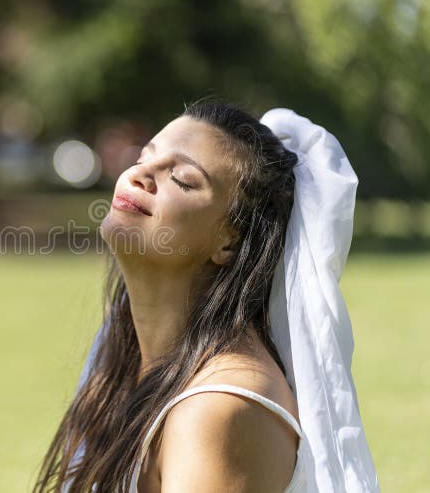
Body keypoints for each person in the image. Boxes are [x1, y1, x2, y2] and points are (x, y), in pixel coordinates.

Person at [33, 101, 379, 492]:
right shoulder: (120, 362)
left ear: (229, 242)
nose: (141, 174)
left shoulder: (220, 408)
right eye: (144, 155)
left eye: (181, 178)